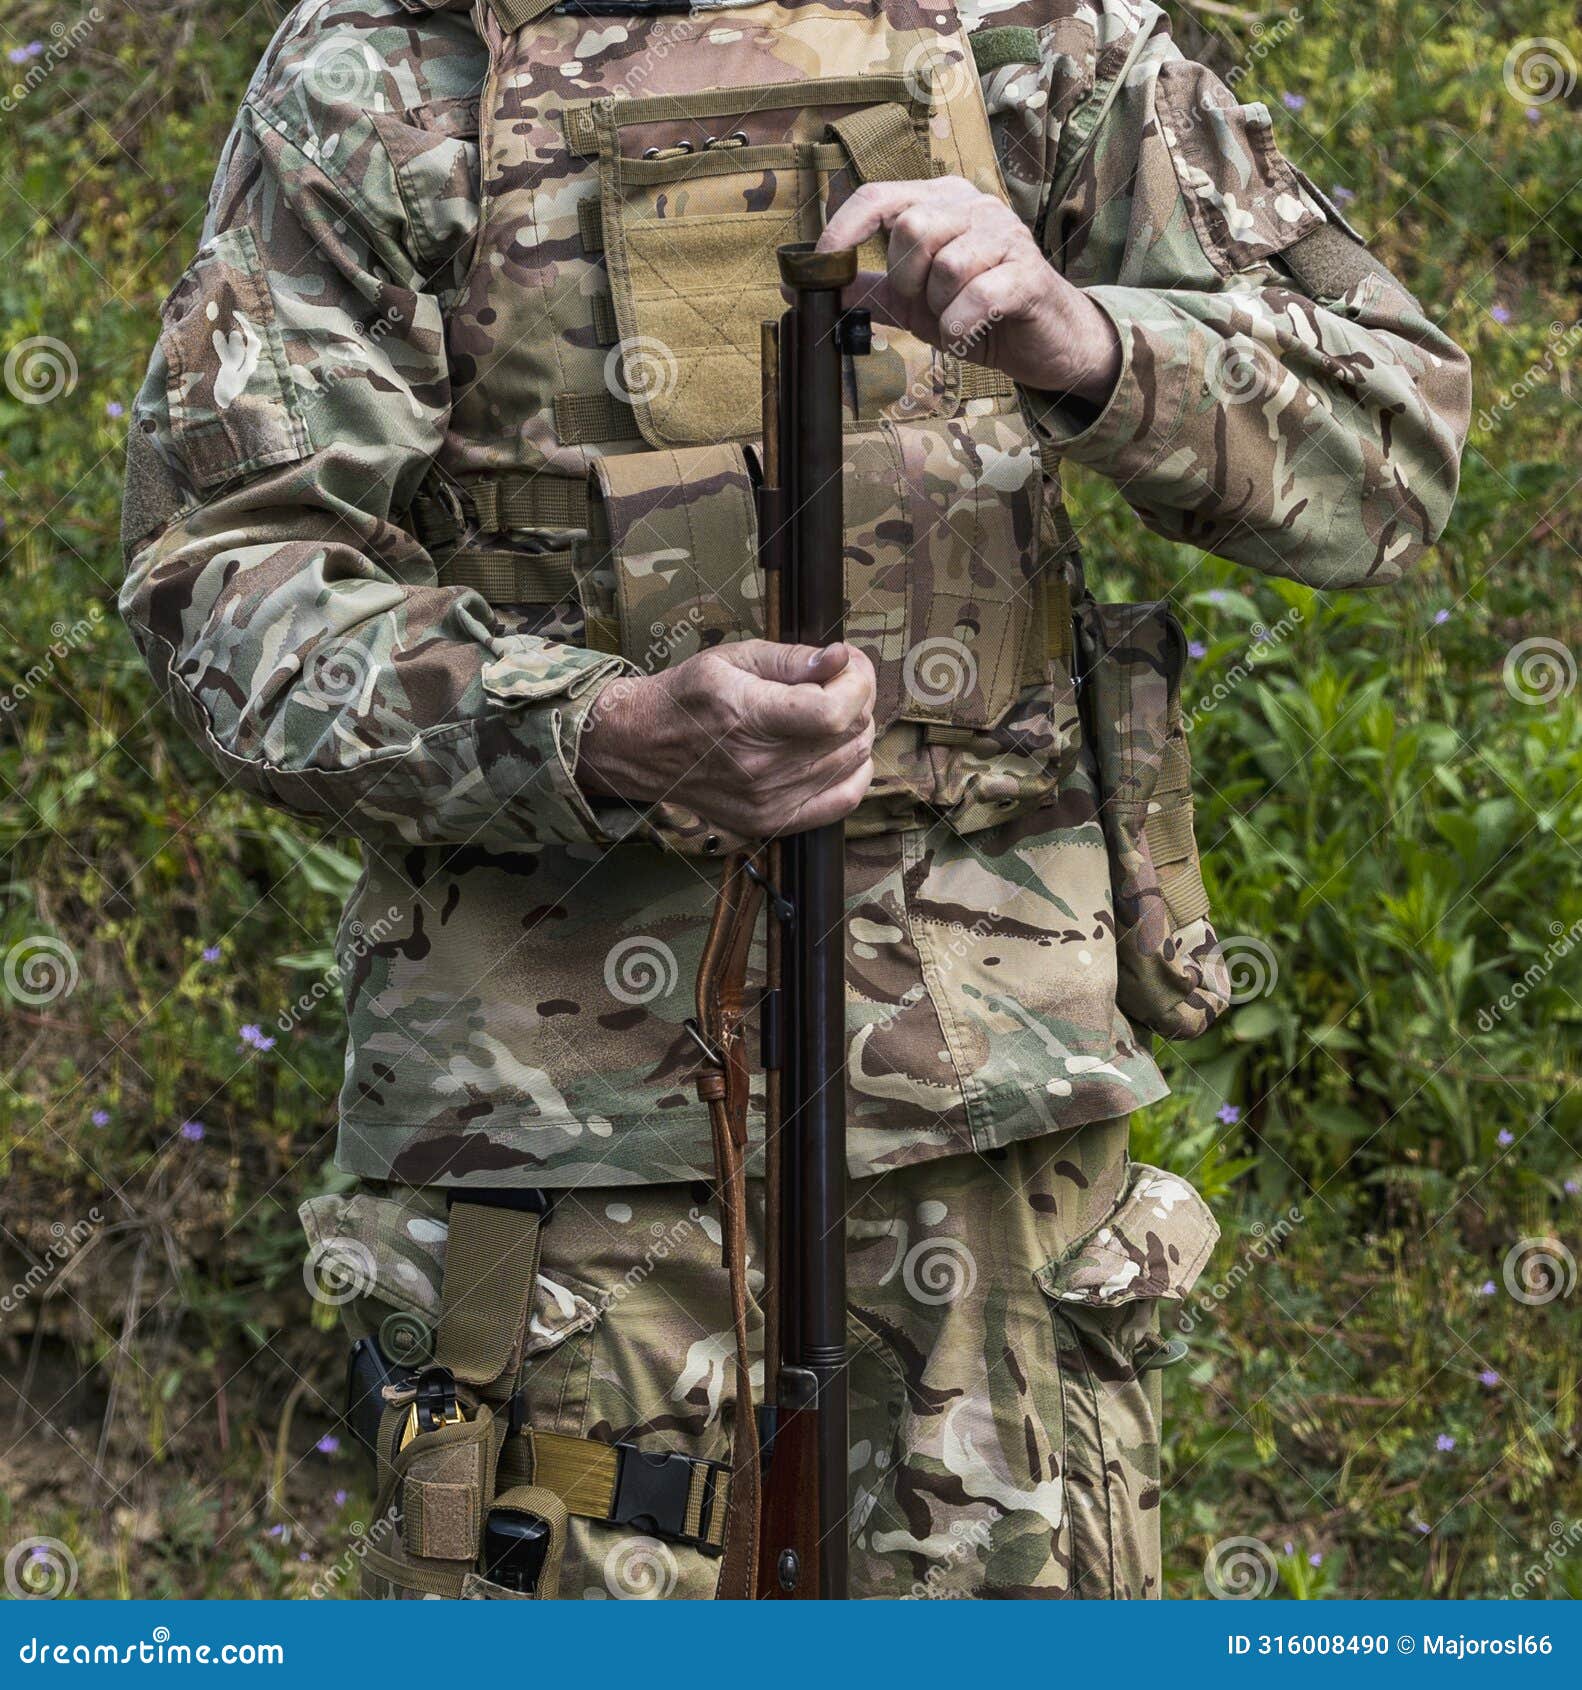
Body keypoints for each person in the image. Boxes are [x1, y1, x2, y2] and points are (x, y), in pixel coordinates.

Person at [119, 0, 1469, 1599]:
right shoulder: (396, 64)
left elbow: (1393, 448)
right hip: (565, 1184)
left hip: (995, 1147)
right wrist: (591, 731)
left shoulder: (1037, 40)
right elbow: (227, 582)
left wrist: (1082, 339)